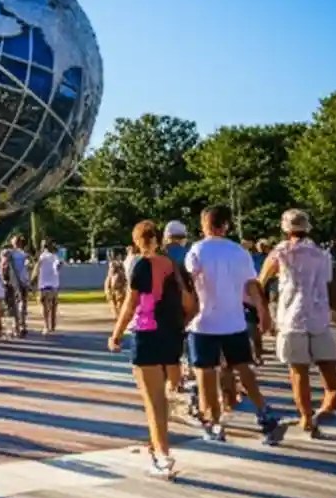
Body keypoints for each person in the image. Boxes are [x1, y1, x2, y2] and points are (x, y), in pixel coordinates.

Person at [184, 204, 279, 443]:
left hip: (203, 322)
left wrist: (184, 314)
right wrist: (263, 312)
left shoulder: (197, 250)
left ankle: (214, 422)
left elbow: (189, 283)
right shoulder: (239, 252)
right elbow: (251, 284)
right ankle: (263, 411)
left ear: (205, 225)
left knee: (205, 372)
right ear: (226, 225)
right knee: (244, 368)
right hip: (234, 320)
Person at [109, 220, 195, 479]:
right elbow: (190, 303)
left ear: (137, 241)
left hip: (147, 332)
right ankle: (158, 443)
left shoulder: (140, 265)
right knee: (163, 396)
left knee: (152, 399)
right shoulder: (172, 266)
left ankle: (162, 454)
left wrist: (116, 334)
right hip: (171, 334)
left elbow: (130, 303)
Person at [258, 210, 336, 438]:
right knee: (327, 367)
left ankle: (306, 416)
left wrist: (262, 308)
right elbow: (328, 284)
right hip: (319, 316)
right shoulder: (321, 254)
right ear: (308, 228)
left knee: (298, 370)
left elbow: (261, 281)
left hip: (291, 317)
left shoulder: (281, 252)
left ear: (285, 228)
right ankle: (327, 404)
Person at [35, 240, 62, 335]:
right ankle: (52, 325)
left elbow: (36, 269)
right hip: (54, 284)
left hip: (43, 284)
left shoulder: (41, 257)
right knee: (54, 305)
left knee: (45, 306)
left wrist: (32, 281)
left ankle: (46, 325)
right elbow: (57, 265)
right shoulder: (54, 256)